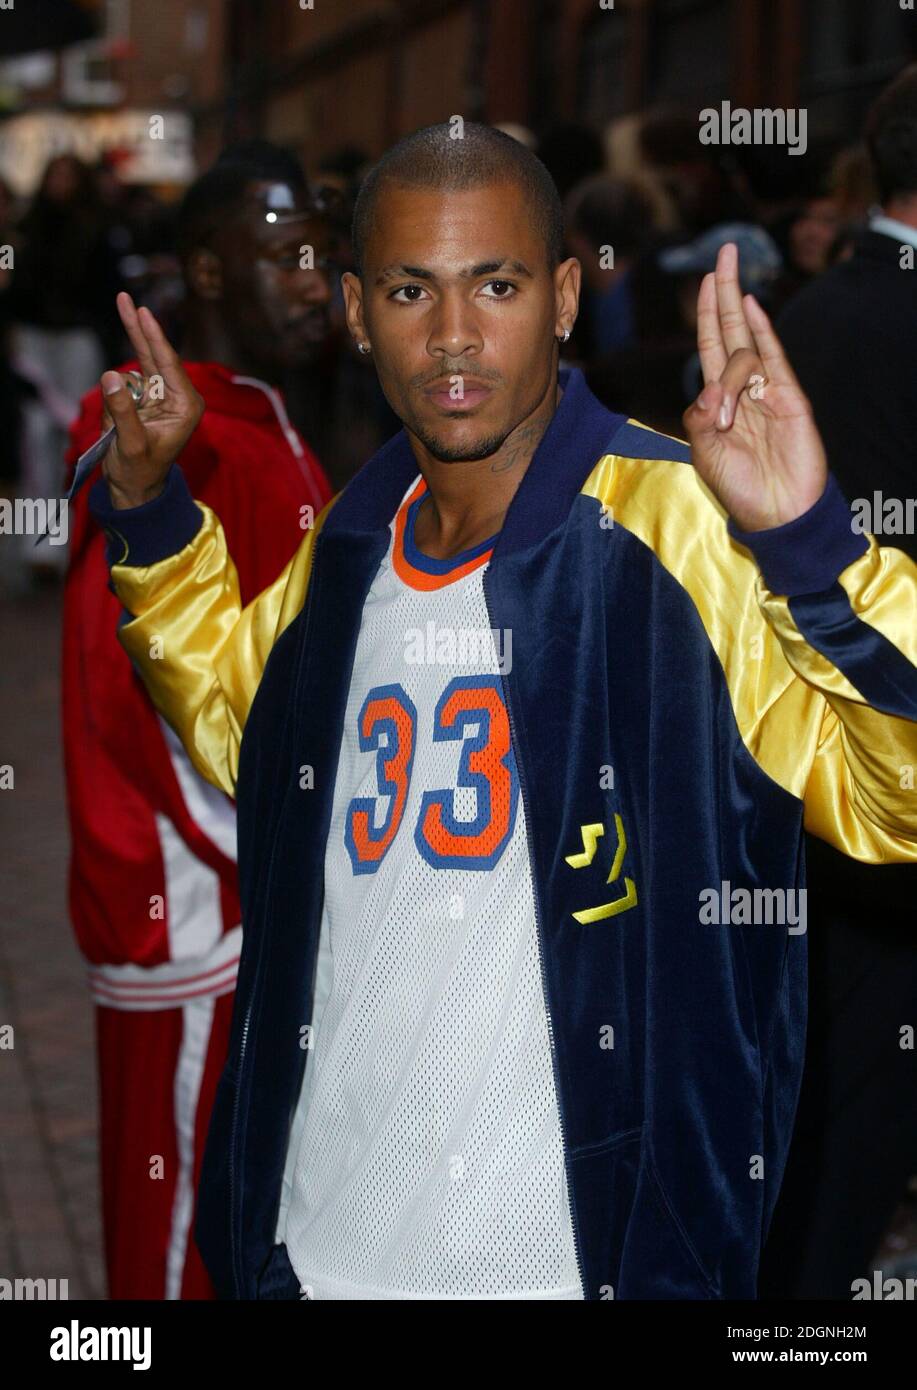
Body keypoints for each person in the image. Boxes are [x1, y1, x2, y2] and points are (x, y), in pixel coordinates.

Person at [88, 122, 916, 1301]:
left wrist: (807, 543)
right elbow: (247, 743)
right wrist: (154, 519)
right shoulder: (351, 543)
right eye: (410, 290)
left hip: (567, 1265)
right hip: (320, 1249)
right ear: (358, 311)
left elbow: (898, 802)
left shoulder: (682, 524)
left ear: (566, 296)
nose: (456, 336)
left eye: (498, 283)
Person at [61, 149, 334, 1299]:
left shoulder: (255, 416)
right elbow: (130, 695)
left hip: (238, 910)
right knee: (173, 1250)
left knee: (224, 1228)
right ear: (209, 269)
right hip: (199, 919)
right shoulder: (173, 443)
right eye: (283, 259)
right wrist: (250, 880)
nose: (315, 285)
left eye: (320, 256)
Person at [758, 65, 917, 1300]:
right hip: (892, 760)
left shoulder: (807, 311)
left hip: (805, 765)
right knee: (856, 1116)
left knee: (828, 1091)